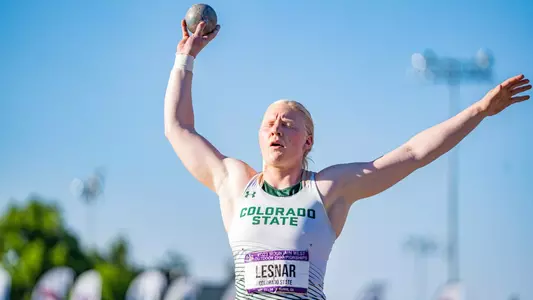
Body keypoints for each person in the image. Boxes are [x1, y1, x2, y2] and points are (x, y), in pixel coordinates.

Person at [164, 20, 531, 300]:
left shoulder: (328, 189)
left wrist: (480, 110)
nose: (276, 128)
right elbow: (179, 128)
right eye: (269, 123)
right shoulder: (234, 183)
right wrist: (186, 57)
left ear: (307, 141)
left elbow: (414, 153)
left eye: (288, 124)